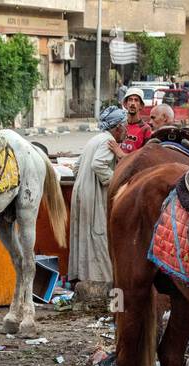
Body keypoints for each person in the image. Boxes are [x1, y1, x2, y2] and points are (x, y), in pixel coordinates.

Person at [69, 106, 126, 292]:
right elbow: (98, 164)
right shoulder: (108, 141)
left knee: (84, 235)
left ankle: (83, 277)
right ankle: (103, 280)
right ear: (118, 127)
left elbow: (76, 167)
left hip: (81, 191)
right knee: (98, 234)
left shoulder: (94, 139)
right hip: (93, 194)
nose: (125, 131)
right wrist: (115, 182)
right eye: (124, 127)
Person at [118, 88, 151, 154]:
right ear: (125, 104)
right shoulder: (119, 126)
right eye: (130, 100)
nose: (133, 103)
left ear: (141, 106)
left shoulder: (146, 129)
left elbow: (145, 155)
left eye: (136, 100)